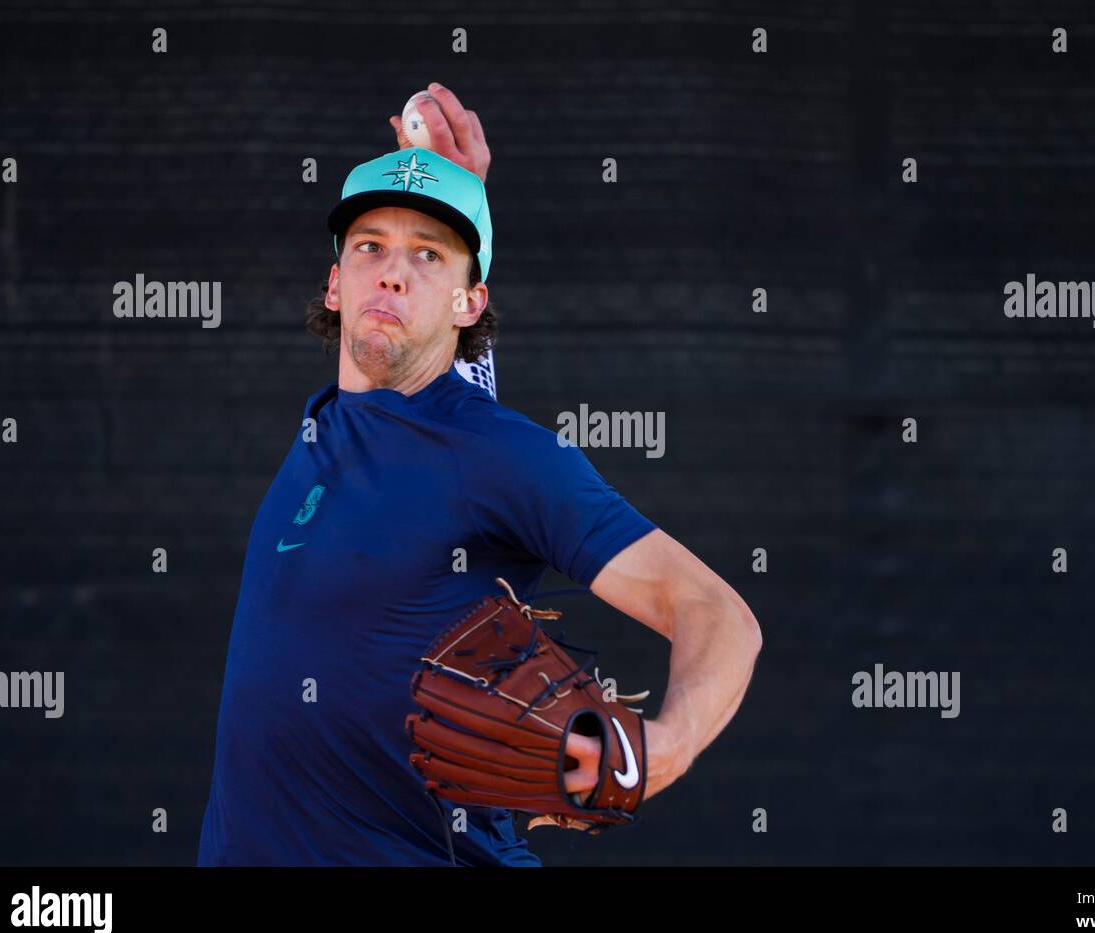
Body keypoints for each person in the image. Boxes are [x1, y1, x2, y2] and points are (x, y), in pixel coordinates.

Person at [197, 84, 762, 865]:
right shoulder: (326, 421)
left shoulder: (501, 455)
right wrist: (461, 204)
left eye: (428, 254)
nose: (392, 273)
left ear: (471, 301)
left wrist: (664, 747)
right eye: (370, 247)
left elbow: (715, 609)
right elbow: (432, 402)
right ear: (335, 284)